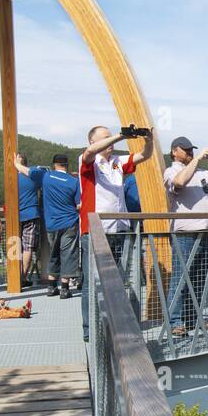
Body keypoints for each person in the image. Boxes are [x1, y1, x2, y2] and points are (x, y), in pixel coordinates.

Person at [78, 125, 152, 338]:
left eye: (111, 138)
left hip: (118, 229)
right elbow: (90, 153)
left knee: (117, 280)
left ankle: (112, 323)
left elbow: (144, 156)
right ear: (93, 142)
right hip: (95, 231)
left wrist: (148, 139)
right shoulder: (88, 161)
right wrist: (121, 136)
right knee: (92, 281)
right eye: (106, 139)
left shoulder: (117, 163)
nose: (111, 143)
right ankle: (89, 330)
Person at [163, 136, 208, 337]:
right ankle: (175, 321)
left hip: (206, 229)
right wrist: (197, 159)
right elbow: (180, 182)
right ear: (174, 151)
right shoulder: (172, 171)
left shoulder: (203, 173)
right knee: (181, 279)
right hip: (185, 232)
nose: (190, 152)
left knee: (199, 279)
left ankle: (193, 318)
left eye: (191, 150)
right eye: (186, 150)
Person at [15, 152, 81, 298]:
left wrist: (17, 163)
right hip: (70, 222)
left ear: (54, 164)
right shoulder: (74, 181)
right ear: (66, 165)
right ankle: (64, 288)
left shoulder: (45, 176)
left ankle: (51, 287)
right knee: (68, 254)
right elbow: (79, 205)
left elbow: (26, 171)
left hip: (51, 224)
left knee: (54, 253)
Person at [17, 155, 43, 287]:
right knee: (27, 247)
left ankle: (14, 277)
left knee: (15, 245)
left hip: (14, 216)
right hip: (31, 214)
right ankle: (23, 277)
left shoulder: (11, 177)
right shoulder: (33, 175)